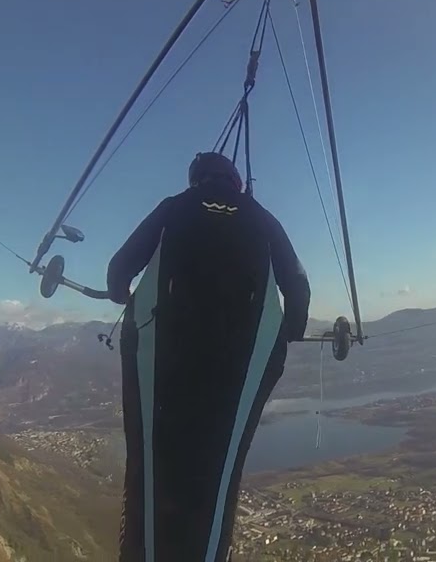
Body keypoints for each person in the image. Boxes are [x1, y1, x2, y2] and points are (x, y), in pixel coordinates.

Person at [106, 151, 311, 562]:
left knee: (151, 460)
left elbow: (118, 270)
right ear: (235, 181)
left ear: (195, 180)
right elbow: (299, 289)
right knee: (222, 464)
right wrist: (291, 331)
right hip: (241, 362)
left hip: (167, 357)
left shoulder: (173, 209)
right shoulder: (263, 219)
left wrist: (123, 296)